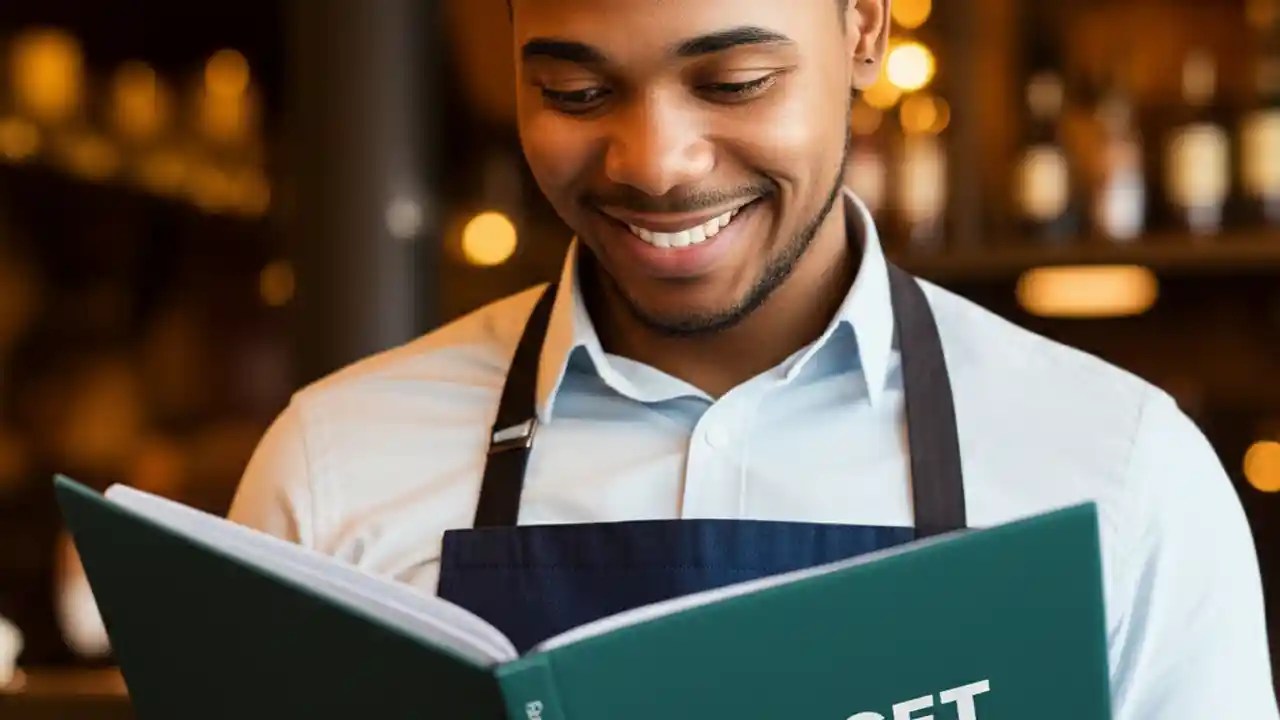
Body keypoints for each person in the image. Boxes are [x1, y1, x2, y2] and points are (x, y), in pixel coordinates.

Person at [228, 0, 1279, 716]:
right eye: (574, 94)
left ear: (861, 27)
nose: (656, 164)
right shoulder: (332, 473)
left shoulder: (1121, 472)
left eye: (733, 82)